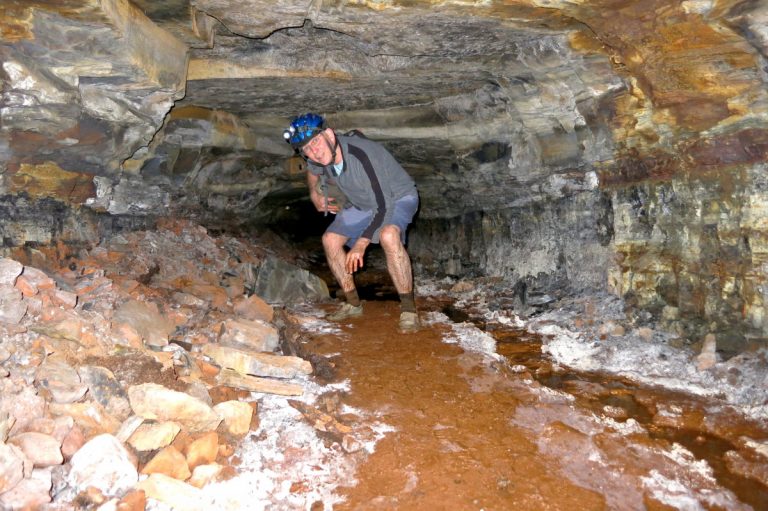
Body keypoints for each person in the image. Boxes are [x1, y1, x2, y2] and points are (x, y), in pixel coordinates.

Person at [283, 113, 420, 332]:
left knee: (388, 235)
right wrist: (313, 194)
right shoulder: (318, 157)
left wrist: (360, 244)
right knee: (330, 239)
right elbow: (312, 169)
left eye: (315, 142)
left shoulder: (363, 155)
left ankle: (408, 309)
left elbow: (383, 207)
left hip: (397, 197)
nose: (313, 151)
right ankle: (353, 303)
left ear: (328, 134)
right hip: (362, 202)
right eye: (306, 148)